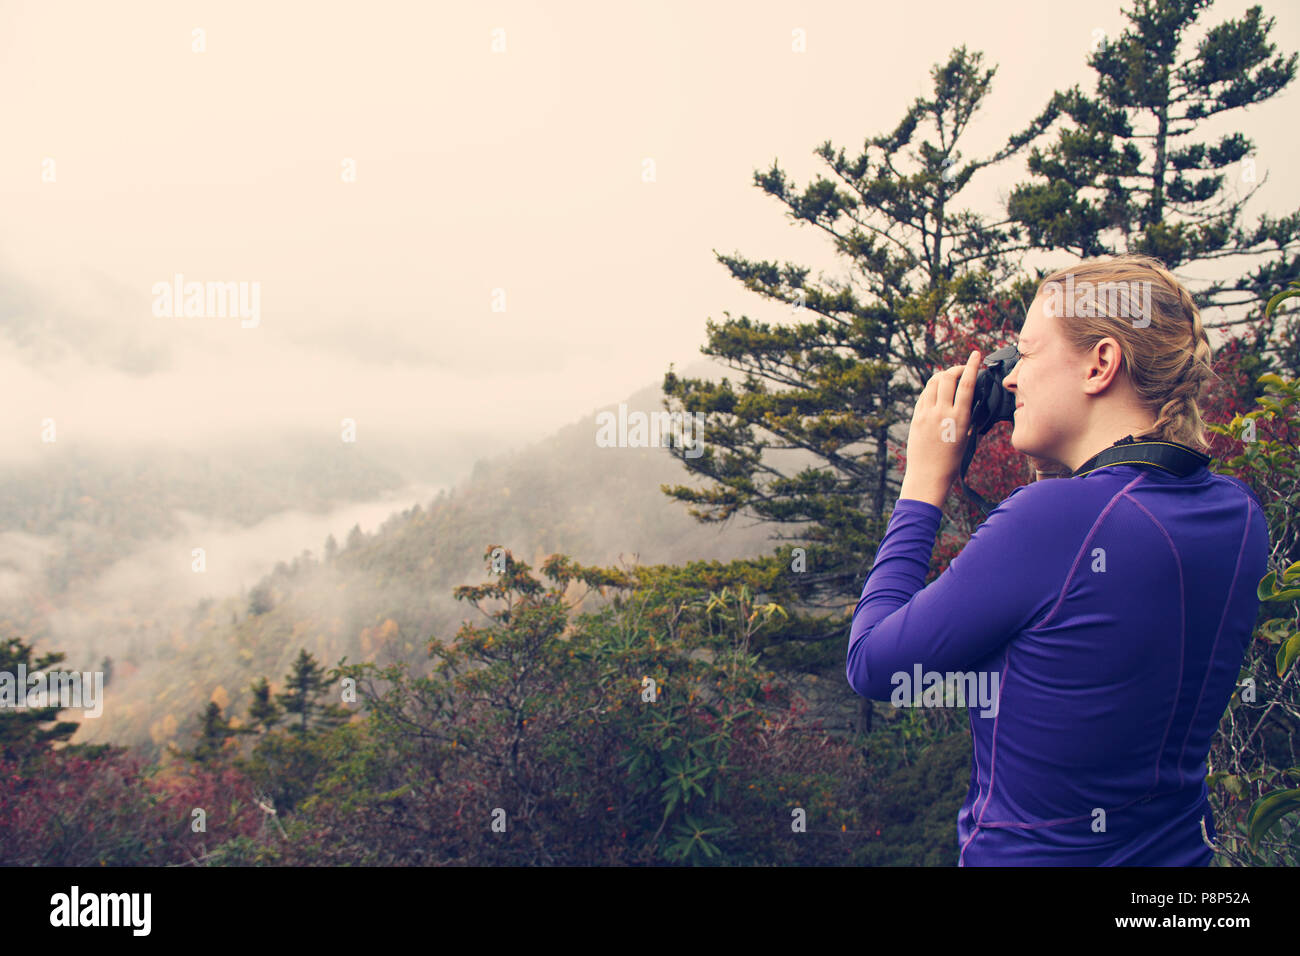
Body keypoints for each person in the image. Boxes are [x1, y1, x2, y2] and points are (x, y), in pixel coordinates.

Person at [846, 254, 1270, 866]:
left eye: (1027, 354)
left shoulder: (1051, 522)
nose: (1011, 379)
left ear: (1100, 364)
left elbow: (872, 664)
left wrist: (921, 485)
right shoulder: (1237, 514)